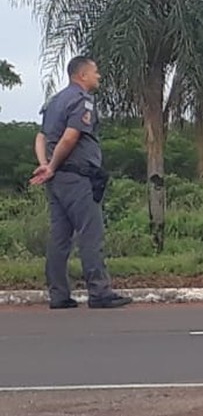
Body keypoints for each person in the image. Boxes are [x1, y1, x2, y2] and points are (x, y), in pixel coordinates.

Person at [29, 55, 131, 309]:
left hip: (57, 180)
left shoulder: (54, 101)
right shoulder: (82, 100)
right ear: (82, 75)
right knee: (90, 233)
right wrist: (51, 166)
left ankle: (59, 294)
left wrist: (46, 165)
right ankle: (99, 292)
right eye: (95, 72)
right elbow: (70, 137)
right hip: (76, 177)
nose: (99, 76)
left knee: (60, 236)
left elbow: (41, 136)